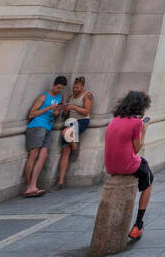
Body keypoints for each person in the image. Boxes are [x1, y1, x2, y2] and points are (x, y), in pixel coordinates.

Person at [105, 90, 155, 240]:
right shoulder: (137, 123)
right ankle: (138, 224)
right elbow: (137, 148)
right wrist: (144, 131)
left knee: (142, 167)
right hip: (127, 165)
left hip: (110, 166)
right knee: (149, 180)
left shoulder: (115, 120)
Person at [23, 76, 67, 197]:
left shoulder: (59, 97)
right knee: (33, 155)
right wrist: (48, 108)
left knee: (43, 156)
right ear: (53, 85)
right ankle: (28, 186)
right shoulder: (43, 97)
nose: (59, 90)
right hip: (37, 126)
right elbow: (31, 114)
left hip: (48, 128)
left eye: (61, 88)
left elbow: (55, 114)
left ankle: (33, 185)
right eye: (58, 87)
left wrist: (56, 112)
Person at [55, 76, 93, 189]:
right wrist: (65, 109)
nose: (74, 89)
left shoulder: (87, 95)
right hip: (70, 121)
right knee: (65, 151)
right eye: (73, 87)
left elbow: (86, 111)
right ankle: (61, 182)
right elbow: (66, 114)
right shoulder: (70, 97)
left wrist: (74, 107)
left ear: (82, 87)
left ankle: (75, 147)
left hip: (81, 121)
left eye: (77, 87)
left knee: (66, 132)